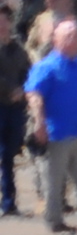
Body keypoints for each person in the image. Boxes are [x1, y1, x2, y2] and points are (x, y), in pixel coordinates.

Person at [27, 18, 77, 234]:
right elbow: (35, 96)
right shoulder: (46, 67)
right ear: (56, 40)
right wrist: (39, 123)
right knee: (54, 182)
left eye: (76, 36)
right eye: (68, 36)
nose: (74, 40)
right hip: (56, 133)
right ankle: (55, 221)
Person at [0, 16, 26, 216]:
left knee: (9, 155)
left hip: (15, 109)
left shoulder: (19, 50)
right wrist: (12, 89)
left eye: (4, 20)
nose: (2, 24)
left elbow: (29, 73)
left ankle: (9, 202)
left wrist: (23, 90)